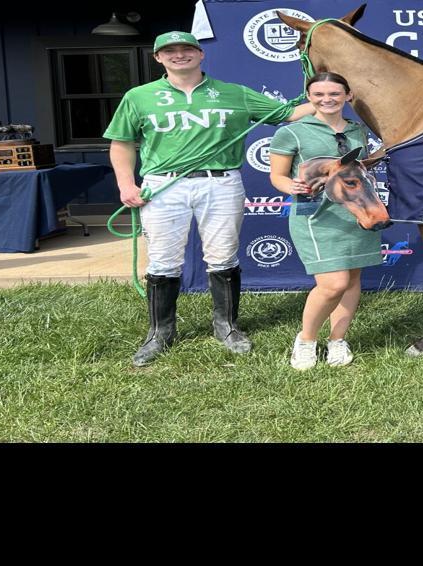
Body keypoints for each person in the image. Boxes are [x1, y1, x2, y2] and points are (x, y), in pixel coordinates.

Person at [105, 30, 316, 366]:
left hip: (220, 182)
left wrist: (328, 98)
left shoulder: (233, 94)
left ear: (200, 54)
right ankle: (160, 332)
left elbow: (288, 114)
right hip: (163, 185)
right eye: (169, 51)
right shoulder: (139, 96)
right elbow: (121, 143)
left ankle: (227, 326)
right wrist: (126, 185)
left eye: (186, 49)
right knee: (162, 260)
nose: (179, 55)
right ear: (158, 57)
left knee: (223, 257)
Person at [267, 73, 384, 370]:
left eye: (334, 93)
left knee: (352, 280)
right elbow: (277, 176)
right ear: (309, 97)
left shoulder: (358, 130)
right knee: (334, 284)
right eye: (319, 94)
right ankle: (306, 340)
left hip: (356, 214)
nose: (327, 99)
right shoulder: (292, 133)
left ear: (347, 95)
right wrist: (288, 186)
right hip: (315, 215)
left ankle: (337, 339)